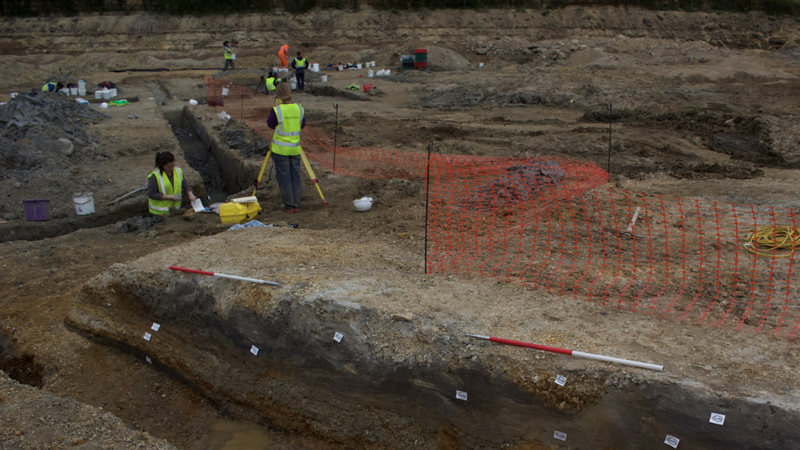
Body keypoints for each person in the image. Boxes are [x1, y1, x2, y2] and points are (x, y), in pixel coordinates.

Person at [267, 83, 306, 213]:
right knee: (295, 175)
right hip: (295, 148)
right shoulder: (299, 108)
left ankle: (289, 205)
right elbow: (302, 124)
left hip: (281, 150)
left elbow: (270, 124)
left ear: (278, 95)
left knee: (284, 176)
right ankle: (297, 203)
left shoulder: (277, 110)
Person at [148, 151, 197, 215]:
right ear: (162, 166)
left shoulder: (178, 171)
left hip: (175, 211)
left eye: (173, 165)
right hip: (159, 213)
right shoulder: (155, 176)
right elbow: (152, 194)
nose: (172, 168)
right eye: (169, 166)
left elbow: (185, 185)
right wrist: (168, 197)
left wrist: (190, 194)